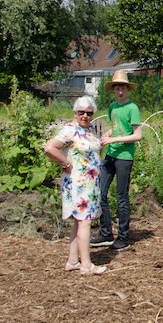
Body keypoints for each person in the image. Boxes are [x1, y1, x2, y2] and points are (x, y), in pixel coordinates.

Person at [43, 96, 107, 275]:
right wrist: (66, 163)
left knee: (79, 222)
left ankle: (73, 260)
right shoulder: (70, 130)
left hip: (90, 182)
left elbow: (92, 148)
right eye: (81, 113)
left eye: (89, 113)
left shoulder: (90, 129)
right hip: (79, 183)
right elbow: (49, 148)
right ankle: (86, 265)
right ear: (75, 113)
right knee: (85, 221)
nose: (85, 116)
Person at [92, 69, 143, 252]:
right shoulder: (113, 107)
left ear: (127, 89)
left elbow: (137, 135)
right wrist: (106, 136)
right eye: (117, 88)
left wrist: (113, 140)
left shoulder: (132, 108)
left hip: (124, 157)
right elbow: (115, 128)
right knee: (100, 192)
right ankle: (106, 232)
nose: (120, 91)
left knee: (121, 197)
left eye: (122, 88)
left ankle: (123, 237)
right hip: (111, 155)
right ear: (113, 90)